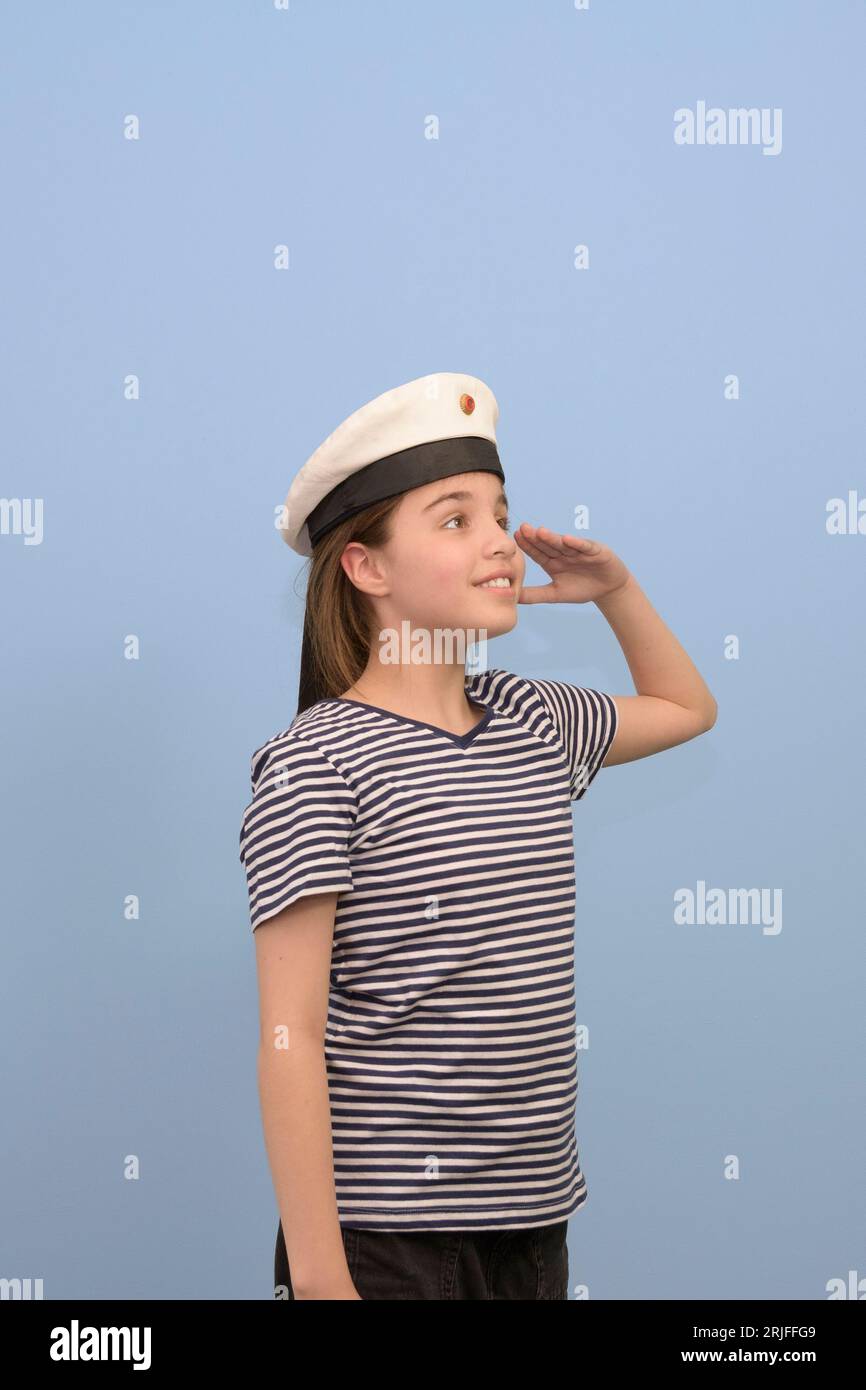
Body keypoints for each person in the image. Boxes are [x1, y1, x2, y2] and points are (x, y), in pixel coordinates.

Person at [238, 372, 717, 1300]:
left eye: (500, 513)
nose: (500, 542)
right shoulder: (316, 763)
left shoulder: (533, 718)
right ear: (367, 567)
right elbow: (288, 1034)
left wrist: (615, 590)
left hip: (534, 1226)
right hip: (388, 1244)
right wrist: (321, 1275)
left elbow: (687, 707)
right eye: (454, 520)